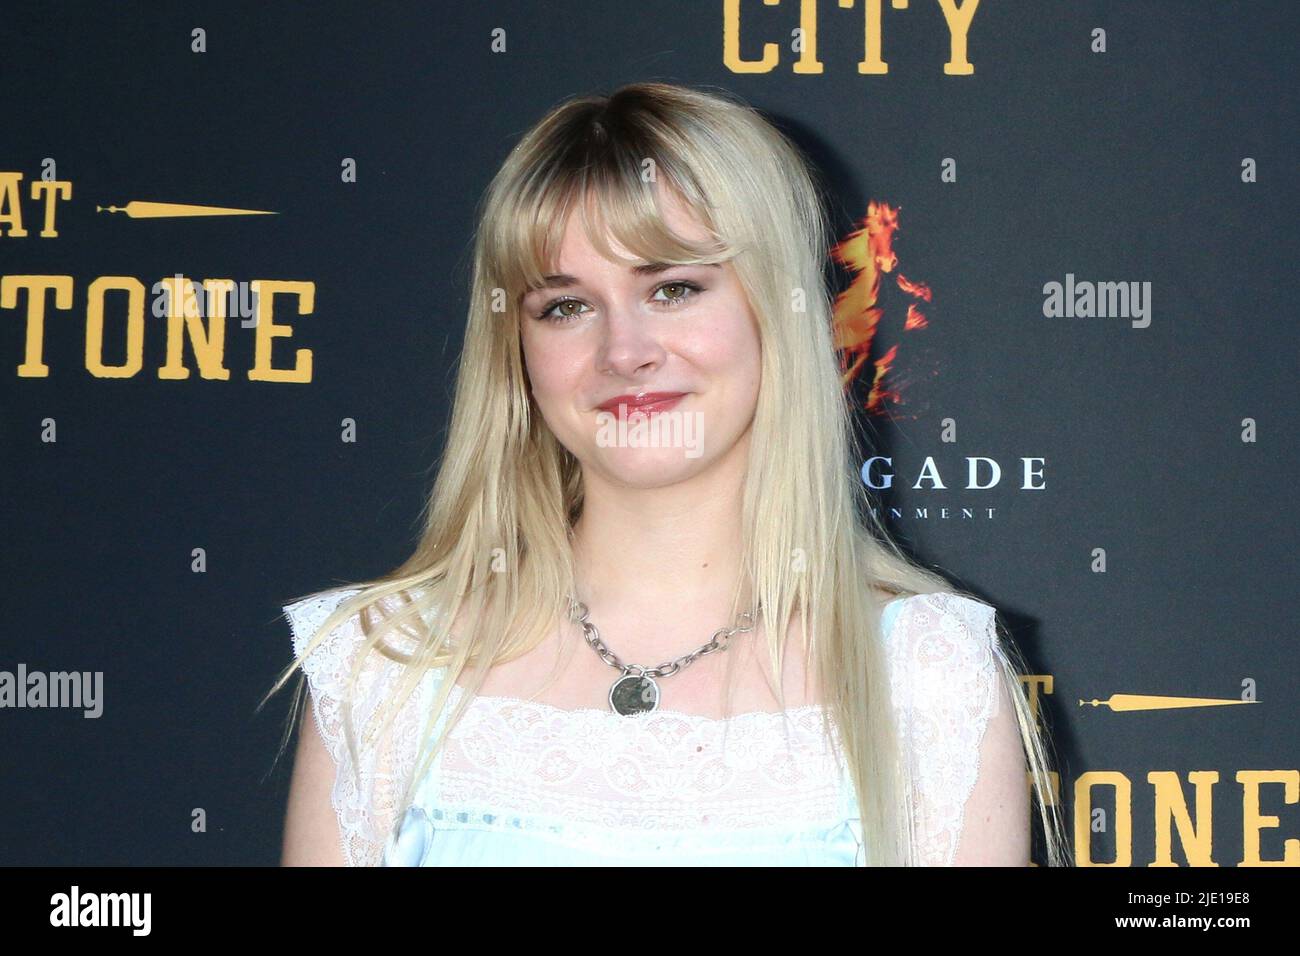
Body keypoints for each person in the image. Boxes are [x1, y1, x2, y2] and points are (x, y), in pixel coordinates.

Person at [268, 81, 1071, 867]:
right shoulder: (386, 664)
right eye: (565, 306)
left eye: (674, 288)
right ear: (515, 350)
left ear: (778, 311)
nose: (625, 352)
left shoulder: (925, 674)